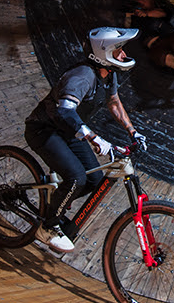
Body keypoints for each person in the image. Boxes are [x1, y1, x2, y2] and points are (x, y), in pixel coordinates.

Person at [24, 27, 148, 252]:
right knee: (77, 178)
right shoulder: (83, 76)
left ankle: (56, 204)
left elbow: (113, 102)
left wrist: (133, 132)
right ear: (105, 53)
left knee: (94, 179)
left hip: (67, 132)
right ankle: (47, 227)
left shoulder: (109, 73)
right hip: (44, 130)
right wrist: (95, 138)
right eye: (119, 49)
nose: (123, 54)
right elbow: (65, 111)